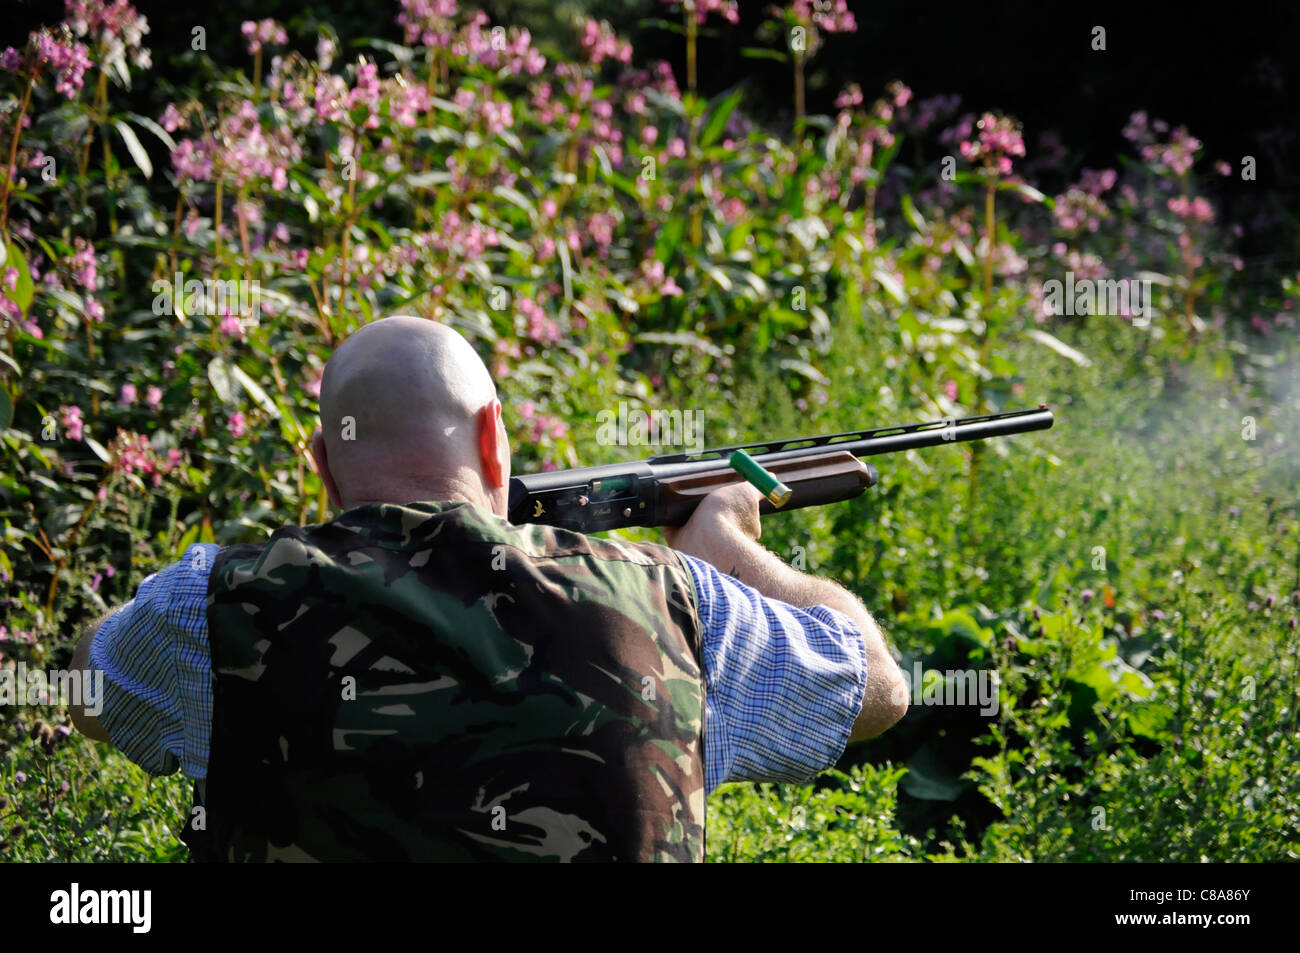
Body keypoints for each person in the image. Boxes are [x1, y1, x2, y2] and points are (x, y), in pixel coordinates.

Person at [71, 314, 908, 861]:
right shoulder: (678, 602)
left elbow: (87, 681)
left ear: (322, 466)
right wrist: (726, 545)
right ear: (494, 439)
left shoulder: (208, 605)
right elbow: (877, 686)